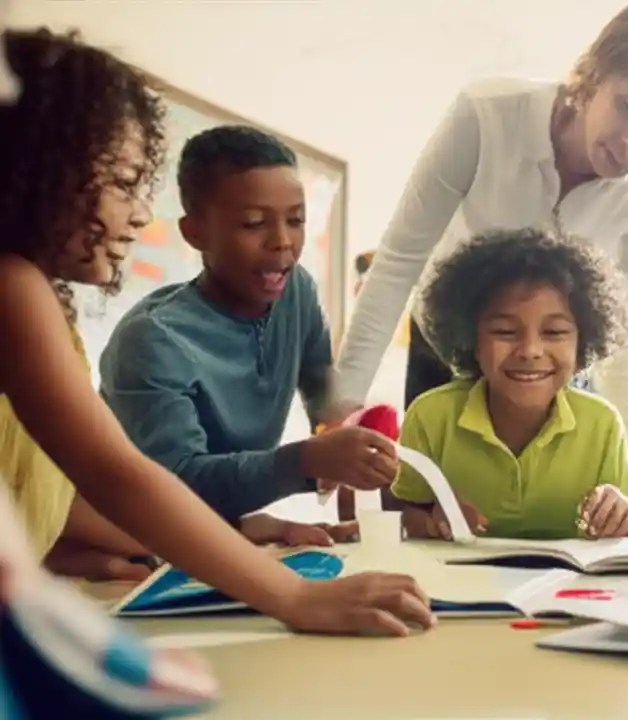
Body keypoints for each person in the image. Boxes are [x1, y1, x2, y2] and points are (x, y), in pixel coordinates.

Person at [0, 27, 432, 636]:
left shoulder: (38, 300)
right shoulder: (15, 289)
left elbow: (53, 481)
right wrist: (296, 598)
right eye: (123, 183)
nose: (139, 213)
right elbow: (119, 474)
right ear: (35, 172)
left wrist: (240, 529)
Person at [333, 0, 628, 474]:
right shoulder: (485, 115)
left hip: (555, 369)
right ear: (594, 73)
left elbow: (625, 334)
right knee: (434, 513)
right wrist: (340, 413)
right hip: (448, 348)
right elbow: (398, 262)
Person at [100, 125, 383, 546]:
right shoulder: (153, 340)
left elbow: (320, 382)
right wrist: (304, 461)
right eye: (253, 224)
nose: (283, 242)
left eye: (296, 220)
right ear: (195, 232)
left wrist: (342, 435)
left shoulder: (297, 292)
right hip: (124, 535)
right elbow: (173, 484)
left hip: (213, 530)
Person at [394, 228, 628, 540]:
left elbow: (621, 532)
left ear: (583, 345)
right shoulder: (431, 416)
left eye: (554, 332)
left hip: (568, 587)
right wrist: (432, 519)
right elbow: (403, 515)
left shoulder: (602, 425)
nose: (530, 351)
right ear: (471, 340)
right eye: (504, 331)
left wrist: (626, 517)